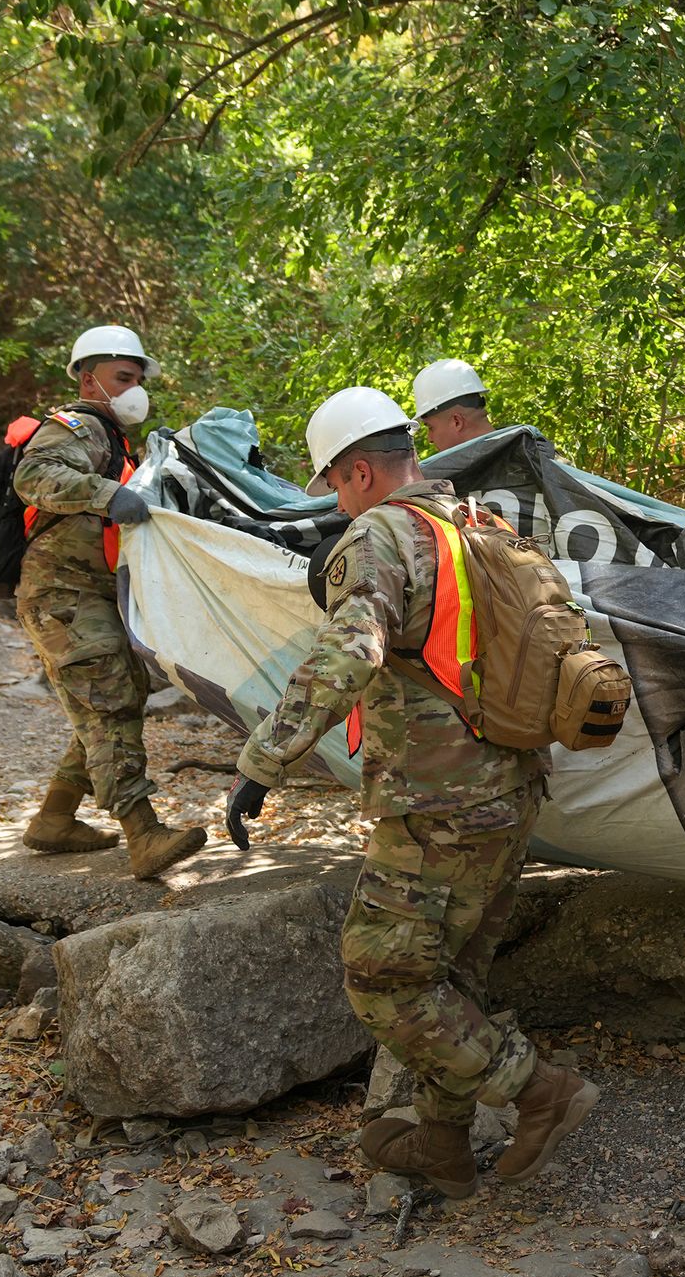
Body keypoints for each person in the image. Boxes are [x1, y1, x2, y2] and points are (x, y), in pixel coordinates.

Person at [223, 386, 598, 1198]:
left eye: (333, 483)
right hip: (511, 792)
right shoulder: (480, 525)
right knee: (450, 975)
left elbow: (352, 646)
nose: (334, 501)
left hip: (436, 807)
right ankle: (443, 1145)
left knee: (381, 975)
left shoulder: (381, 533)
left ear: (359, 471)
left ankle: (542, 1092)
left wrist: (265, 758)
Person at [14, 325, 206, 880]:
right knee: (109, 701)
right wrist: (107, 494)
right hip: (63, 594)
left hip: (91, 593)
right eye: (123, 378)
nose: (133, 390)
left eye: (137, 380)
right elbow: (35, 475)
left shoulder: (111, 438)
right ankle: (142, 833)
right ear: (87, 377)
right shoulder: (74, 428)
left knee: (117, 695)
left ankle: (55, 818)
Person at [413, 359, 496, 454]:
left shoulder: (482, 467)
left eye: (431, 427)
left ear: (457, 422)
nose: (430, 439)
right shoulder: (514, 450)